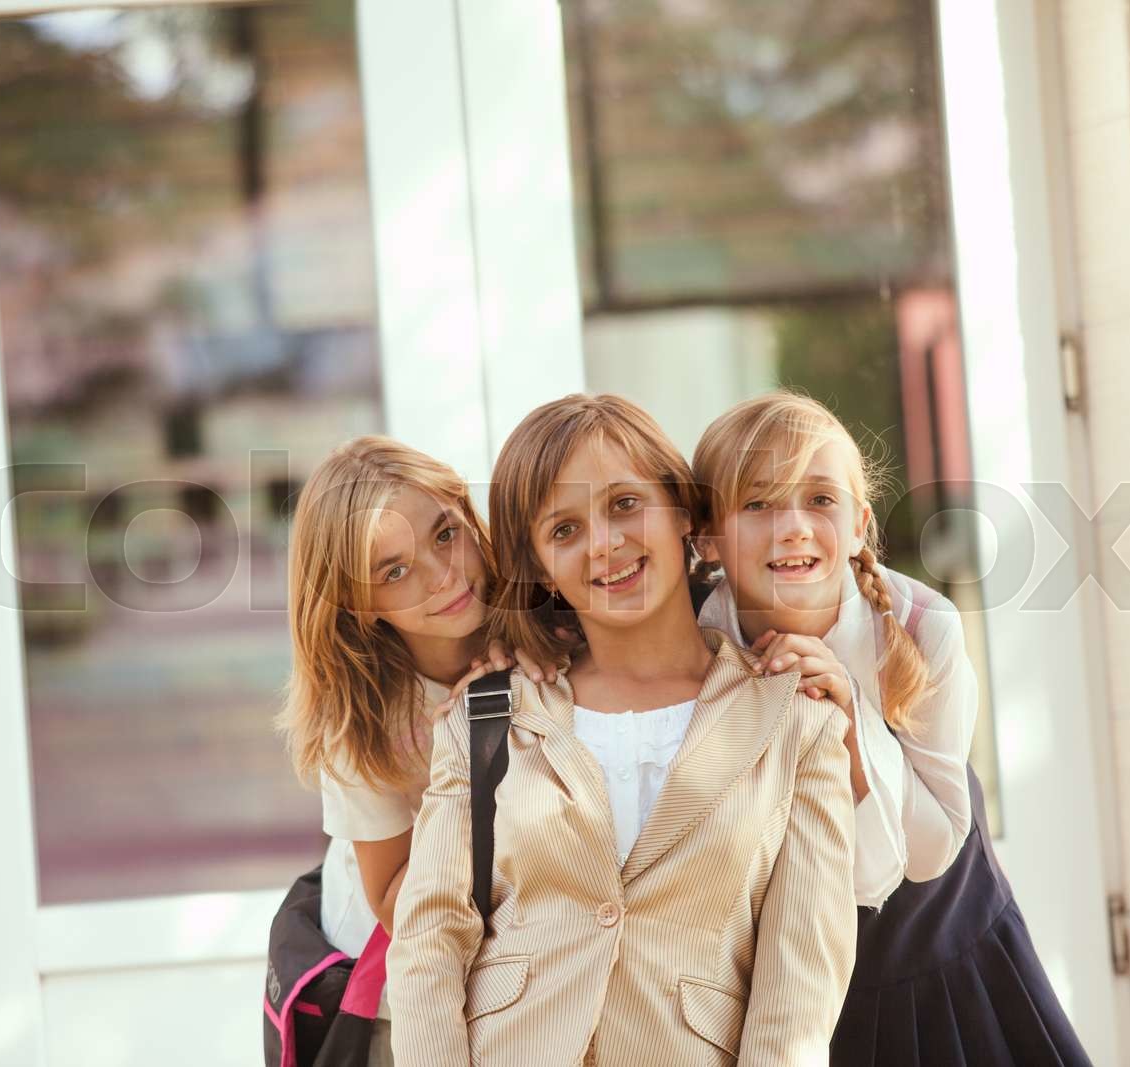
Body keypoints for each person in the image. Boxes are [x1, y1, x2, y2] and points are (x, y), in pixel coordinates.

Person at [387, 393, 858, 1066]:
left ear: (683, 515)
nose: (604, 544)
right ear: (539, 567)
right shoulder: (487, 719)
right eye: (564, 530)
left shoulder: (798, 722)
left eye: (626, 505)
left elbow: (799, 987)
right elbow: (429, 940)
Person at [691, 391, 1090, 1066]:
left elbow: (934, 848)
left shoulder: (919, 627)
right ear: (705, 539)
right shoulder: (693, 635)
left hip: (935, 954)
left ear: (858, 528)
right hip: (787, 976)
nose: (792, 526)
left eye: (820, 499)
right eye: (758, 502)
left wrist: (850, 715)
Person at [277, 435, 536, 1065]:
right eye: (394, 572)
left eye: (445, 534)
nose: (441, 574)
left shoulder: (537, 626)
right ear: (357, 604)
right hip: (399, 999)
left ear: (465, 513)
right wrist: (470, 750)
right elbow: (395, 901)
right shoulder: (360, 721)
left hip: (524, 971)